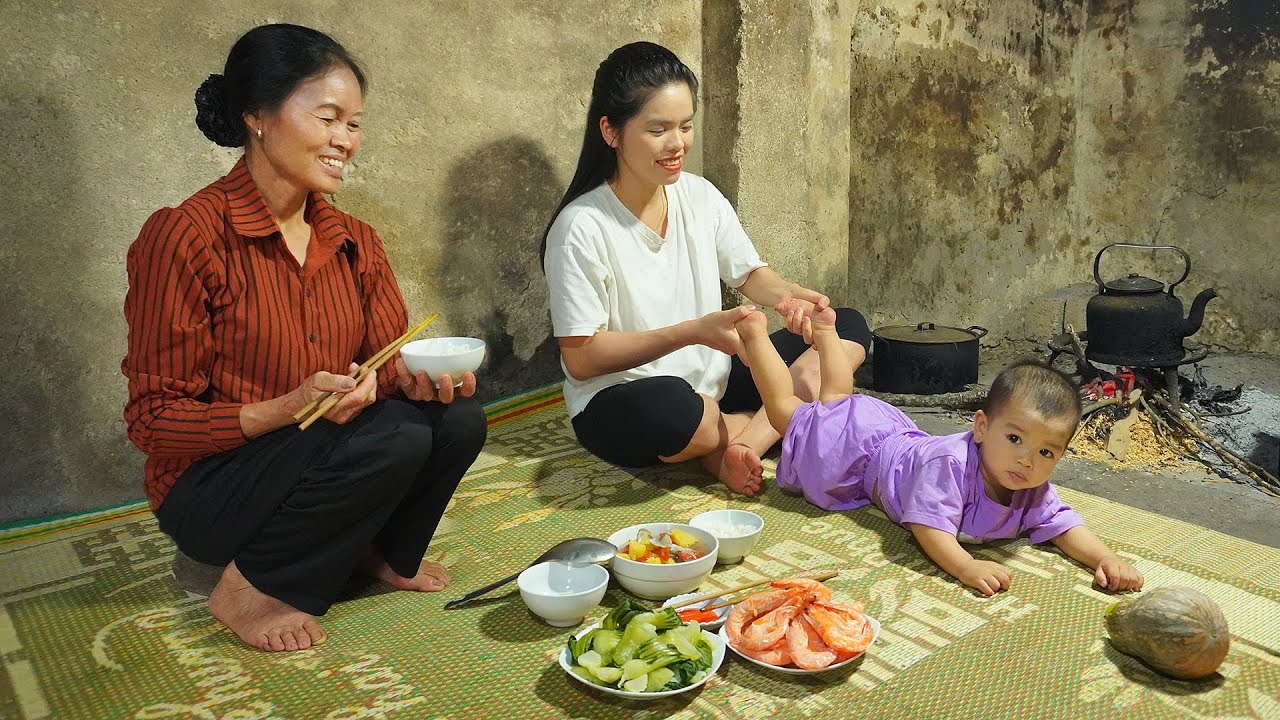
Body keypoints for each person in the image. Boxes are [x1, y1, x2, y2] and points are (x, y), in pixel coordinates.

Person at [122, 24, 487, 652]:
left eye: (354, 123)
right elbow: (153, 422)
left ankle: (377, 550)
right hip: (212, 490)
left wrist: (412, 379)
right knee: (394, 437)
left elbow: (392, 364)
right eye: (328, 118)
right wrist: (286, 408)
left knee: (457, 418)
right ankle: (248, 589)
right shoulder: (185, 237)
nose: (345, 140)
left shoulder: (355, 239)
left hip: (318, 459)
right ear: (258, 116)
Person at [541, 41, 872, 496]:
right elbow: (581, 360)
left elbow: (750, 273)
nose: (677, 144)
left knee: (846, 329)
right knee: (678, 412)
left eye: (685, 126)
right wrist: (693, 331)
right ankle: (754, 430)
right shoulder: (580, 227)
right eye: (658, 130)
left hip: (711, 379)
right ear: (611, 131)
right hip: (626, 400)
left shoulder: (698, 195)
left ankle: (741, 444)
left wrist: (790, 298)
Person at [735, 305, 1145, 596]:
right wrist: (965, 566)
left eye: (1046, 453)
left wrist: (1104, 559)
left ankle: (826, 335)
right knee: (786, 411)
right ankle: (755, 335)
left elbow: (1063, 523)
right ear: (981, 427)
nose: (1027, 460)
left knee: (839, 397)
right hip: (855, 452)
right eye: (1015, 439)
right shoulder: (951, 465)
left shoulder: (1029, 484)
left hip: (889, 436)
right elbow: (929, 527)